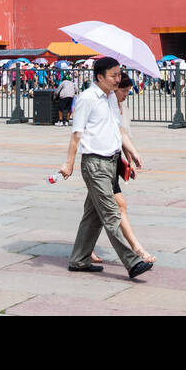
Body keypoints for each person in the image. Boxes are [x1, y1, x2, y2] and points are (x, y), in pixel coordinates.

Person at [60, 57, 152, 279]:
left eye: (119, 74)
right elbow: (76, 134)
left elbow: (118, 130)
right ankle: (132, 262)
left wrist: (133, 152)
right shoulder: (87, 99)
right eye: (114, 75)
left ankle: (79, 260)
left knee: (93, 216)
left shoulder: (111, 98)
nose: (118, 79)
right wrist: (69, 163)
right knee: (111, 213)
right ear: (99, 76)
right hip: (95, 163)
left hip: (111, 162)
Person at [88, 74, 154, 265]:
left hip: (113, 161)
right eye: (123, 91)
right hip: (99, 162)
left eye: (127, 91)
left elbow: (121, 133)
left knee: (93, 212)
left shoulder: (119, 107)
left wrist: (130, 158)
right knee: (117, 207)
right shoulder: (102, 104)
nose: (126, 94)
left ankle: (83, 250)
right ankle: (136, 250)